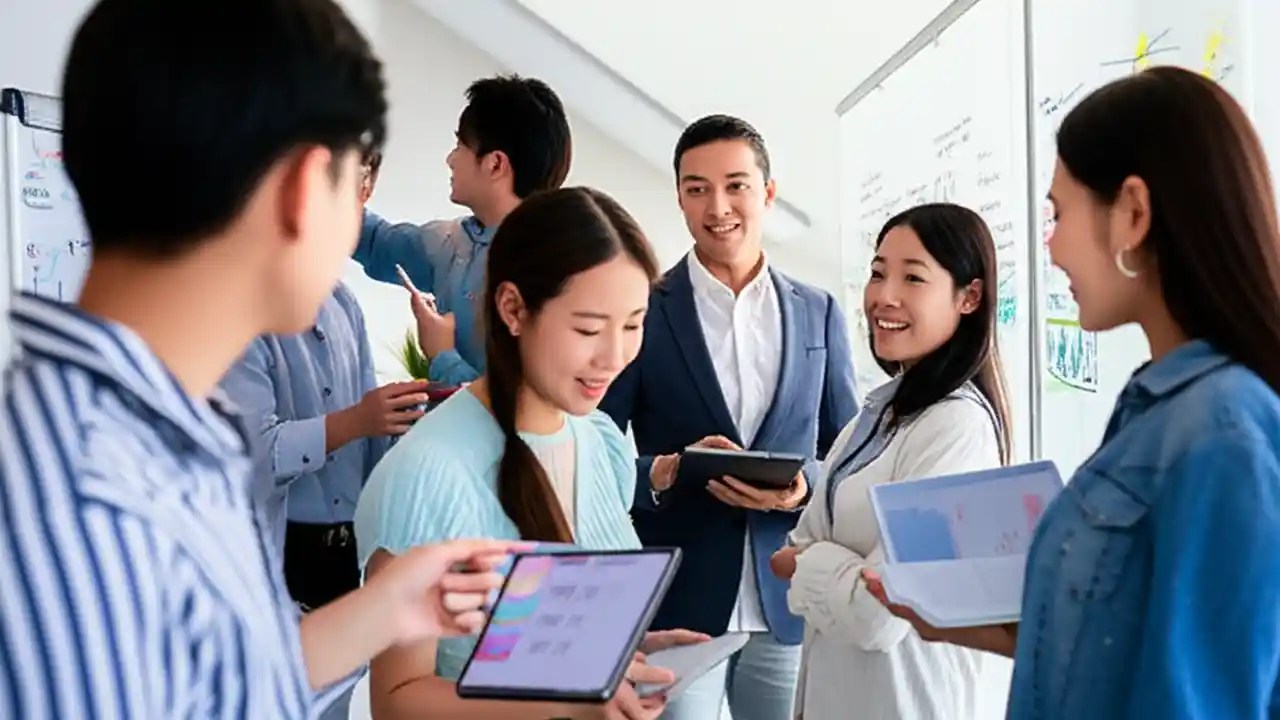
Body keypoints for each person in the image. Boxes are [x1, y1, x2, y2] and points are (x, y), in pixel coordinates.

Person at [0, 1, 523, 717]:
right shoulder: (98, 492)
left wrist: (393, 606)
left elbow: (221, 678)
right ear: (306, 191)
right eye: (354, 184)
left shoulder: (159, 433)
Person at [867, 66, 1280, 720]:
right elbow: (1125, 642)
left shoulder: (1221, 430)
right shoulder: (1156, 409)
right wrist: (975, 628)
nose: (1050, 246)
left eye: (1058, 213)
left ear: (1134, 214)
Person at [354, 187, 708, 720]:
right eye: (588, 328)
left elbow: (551, 647)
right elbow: (398, 701)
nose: (614, 357)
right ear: (513, 308)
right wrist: (562, 703)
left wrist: (626, 658)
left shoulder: (600, 442)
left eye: (633, 325)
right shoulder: (427, 474)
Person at [599, 115, 859, 720]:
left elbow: (848, 455)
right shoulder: (644, 310)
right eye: (697, 189)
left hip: (786, 598)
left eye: (736, 185)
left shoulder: (818, 312)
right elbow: (592, 450)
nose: (718, 206)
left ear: (768, 193)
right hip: (676, 604)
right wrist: (661, 472)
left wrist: (802, 488)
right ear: (680, 198)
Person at [771, 203, 1012, 719]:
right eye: (878, 273)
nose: (885, 296)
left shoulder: (957, 428)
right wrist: (843, 569)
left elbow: (875, 616)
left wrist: (813, 562)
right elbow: (786, 556)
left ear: (969, 297)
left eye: (913, 278)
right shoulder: (875, 414)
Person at [220, 148, 429, 612]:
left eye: (356, 192)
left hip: (346, 558)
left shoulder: (343, 304)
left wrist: (414, 418)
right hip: (276, 558)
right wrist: (355, 421)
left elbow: (373, 442)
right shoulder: (238, 305)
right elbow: (249, 455)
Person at [350, 74, 572, 386]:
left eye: (460, 145)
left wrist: (442, 355)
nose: (450, 159)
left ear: (495, 164)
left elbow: (518, 414)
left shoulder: (549, 277)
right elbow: (376, 242)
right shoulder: (451, 243)